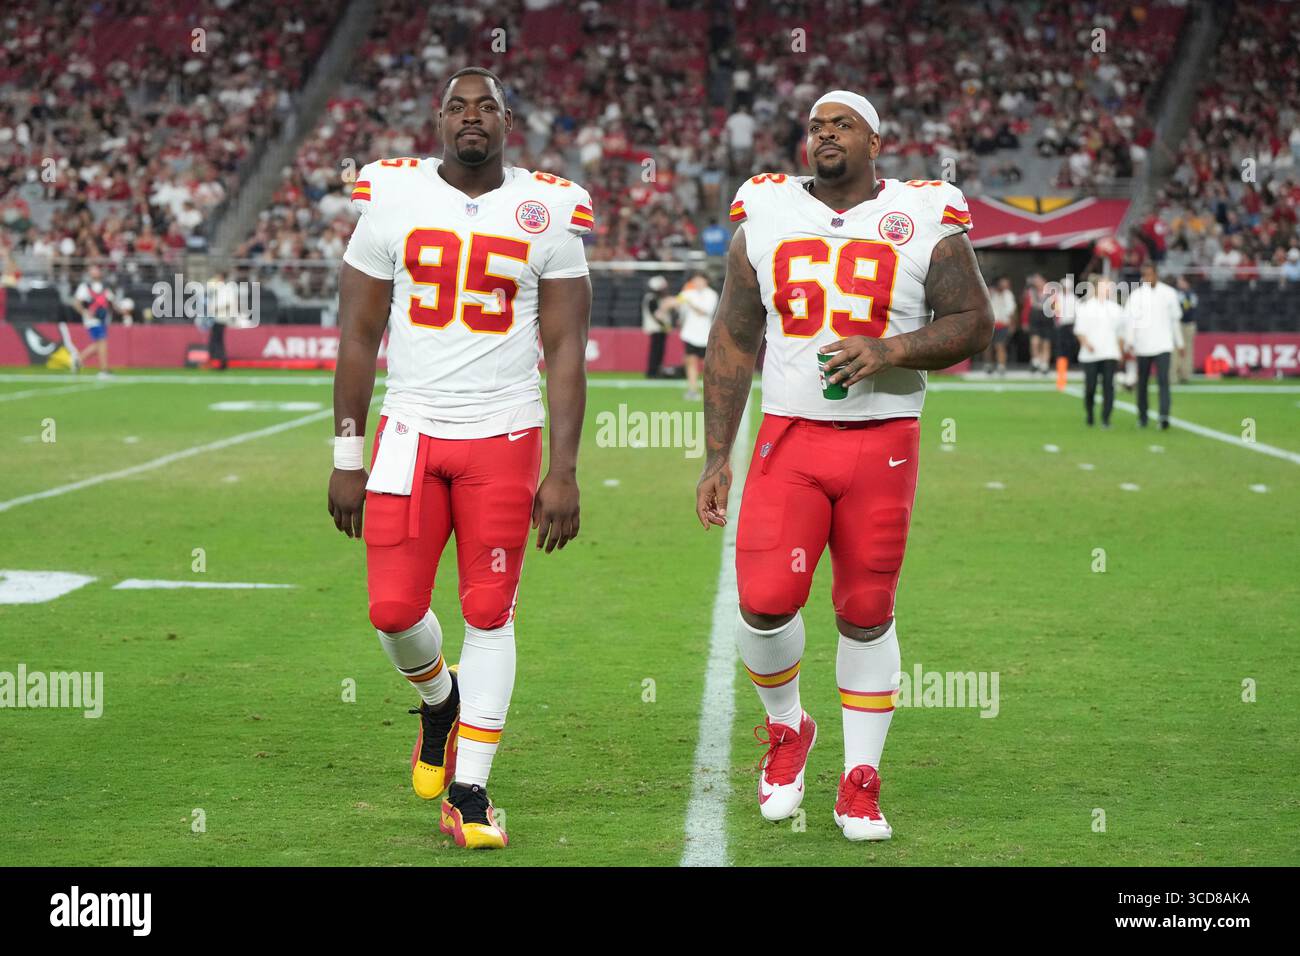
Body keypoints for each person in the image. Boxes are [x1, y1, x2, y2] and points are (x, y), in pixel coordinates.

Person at [695, 90, 993, 842]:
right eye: (816, 124)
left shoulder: (924, 214)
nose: (825, 133)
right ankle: (788, 728)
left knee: (866, 612)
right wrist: (714, 456)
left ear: (875, 142)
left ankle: (861, 780)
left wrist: (889, 349)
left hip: (883, 438)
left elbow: (974, 323)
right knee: (763, 600)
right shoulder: (764, 210)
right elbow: (733, 338)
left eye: (843, 124)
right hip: (790, 438)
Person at [327, 68, 592, 851]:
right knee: (393, 611)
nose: (471, 116)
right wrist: (347, 453)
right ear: (438, 119)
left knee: (489, 611)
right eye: (457, 105)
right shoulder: (392, 197)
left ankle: (471, 791)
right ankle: (439, 701)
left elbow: (567, 348)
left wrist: (565, 468)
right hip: (407, 429)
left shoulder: (549, 209)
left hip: (504, 434)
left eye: (487, 106)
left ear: (508, 120)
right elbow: (356, 336)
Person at [1122, 262, 1183, 429]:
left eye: (1150, 274)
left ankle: (1164, 416)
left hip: (1164, 344)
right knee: (1142, 383)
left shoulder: (1169, 293)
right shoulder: (1136, 295)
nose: (1147, 278)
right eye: (1145, 275)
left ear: (1156, 274)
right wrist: (1129, 341)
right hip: (1142, 345)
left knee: (1164, 381)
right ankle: (1142, 416)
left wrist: (1180, 342)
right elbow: (1130, 321)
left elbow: (1175, 320)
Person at [1074, 275, 1124, 427]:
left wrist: (1120, 351)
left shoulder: (1116, 309)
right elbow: (1080, 331)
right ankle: (1090, 413)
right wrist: (1087, 344)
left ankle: (1106, 418)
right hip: (1091, 355)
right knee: (1091, 387)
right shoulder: (1085, 307)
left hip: (1110, 353)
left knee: (1109, 386)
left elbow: (1121, 333)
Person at [677, 272, 718, 399]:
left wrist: (690, 303)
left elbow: (704, 311)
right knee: (690, 362)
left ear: (706, 281)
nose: (698, 283)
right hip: (689, 334)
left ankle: (713, 391)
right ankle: (692, 389)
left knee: (709, 365)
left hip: (705, 335)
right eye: (695, 280)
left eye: (700, 280)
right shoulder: (687, 293)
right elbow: (678, 304)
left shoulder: (711, 294)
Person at [73, 264, 115, 378]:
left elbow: (111, 302)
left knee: (99, 345)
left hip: (103, 318)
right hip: (92, 319)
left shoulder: (105, 287)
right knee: (102, 342)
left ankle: (78, 359)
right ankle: (104, 370)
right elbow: (76, 303)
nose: (95, 272)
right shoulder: (85, 286)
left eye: (97, 270)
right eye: (93, 270)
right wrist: (84, 312)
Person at [641, 275, 674, 378]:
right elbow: (655, 315)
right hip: (656, 328)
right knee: (656, 351)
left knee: (660, 351)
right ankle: (652, 371)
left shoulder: (658, 298)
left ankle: (657, 370)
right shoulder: (651, 298)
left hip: (661, 329)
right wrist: (664, 325)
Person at [1023, 273, 1053, 374]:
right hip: (1035, 317)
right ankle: (1035, 361)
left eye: (1039, 281)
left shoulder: (1050, 291)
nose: (1038, 283)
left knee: (1046, 343)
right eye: (1036, 281)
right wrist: (1025, 321)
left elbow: (1055, 306)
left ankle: (1044, 364)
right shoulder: (1030, 292)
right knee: (1035, 342)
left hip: (1047, 317)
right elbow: (1026, 308)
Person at [986, 275, 1016, 375]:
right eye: (1003, 284)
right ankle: (989, 364)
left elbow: (1011, 310)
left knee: (1000, 345)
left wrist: (1012, 324)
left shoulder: (1008, 295)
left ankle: (1001, 366)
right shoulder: (991, 292)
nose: (1005, 286)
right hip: (991, 324)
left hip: (1003, 324)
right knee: (988, 346)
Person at [1174, 275, 1199, 383]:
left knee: (1182, 350)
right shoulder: (1189, 294)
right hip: (1187, 323)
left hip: (1185, 324)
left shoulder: (1187, 295)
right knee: (1183, 350)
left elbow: (1186, 309)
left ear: (1186, 282)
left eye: (1181, 281)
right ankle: (1182, 374)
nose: (1179, 283)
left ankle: (1183, 374)